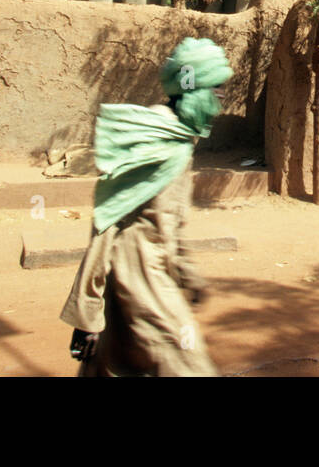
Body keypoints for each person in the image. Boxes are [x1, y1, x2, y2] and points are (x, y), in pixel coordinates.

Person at [59, 37, 232, 377]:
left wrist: (186, 271)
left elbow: (169, 218)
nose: (221, 99)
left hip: (153, 267)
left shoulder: (179, 135)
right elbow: (109, 221)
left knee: (116, 366)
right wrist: (88, 311)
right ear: (193, 86)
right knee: (187, 361)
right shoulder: (155, 135)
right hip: (136, 271)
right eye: (217, 89)